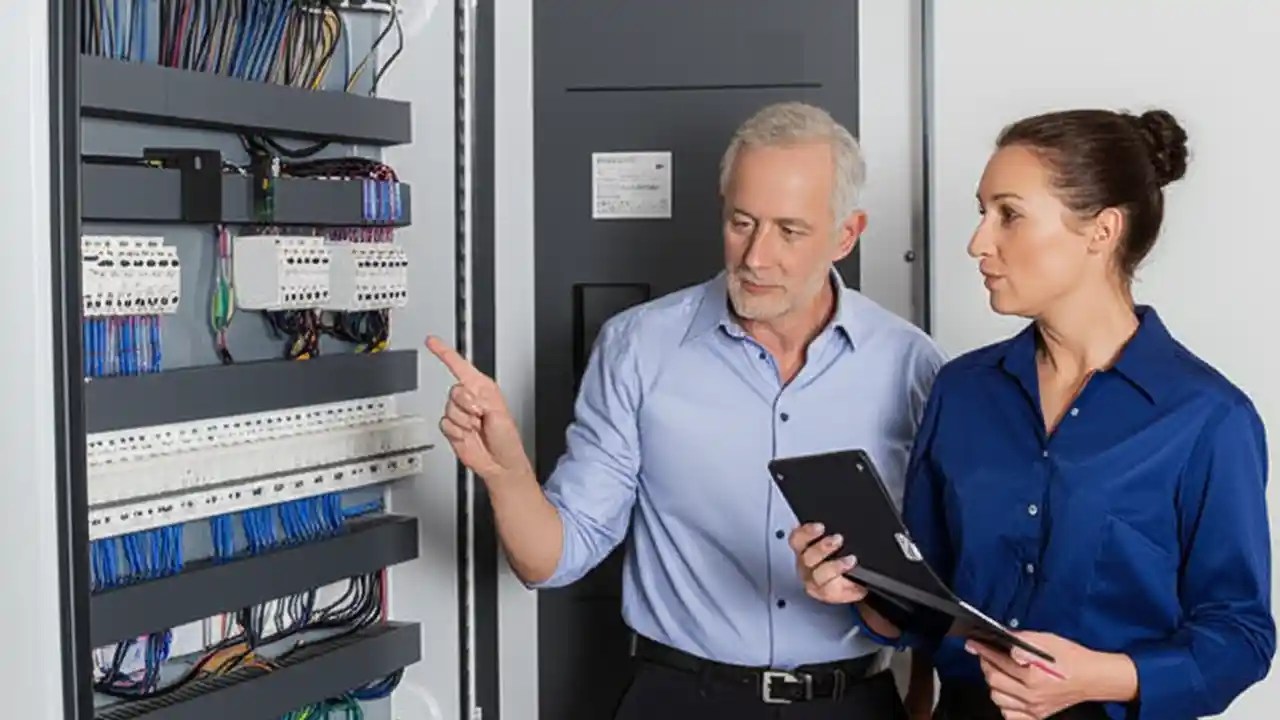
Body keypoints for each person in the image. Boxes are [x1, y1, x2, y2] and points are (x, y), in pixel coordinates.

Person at [426, 101, 945, 718]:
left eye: (789, 231)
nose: (755, 257)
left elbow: (936, 567)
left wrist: (921, 695)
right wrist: (504, 472)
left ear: (846, 235)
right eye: (741, 222)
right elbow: (553, 560)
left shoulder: (912, 365)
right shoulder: (637, 347)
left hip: (854, 702)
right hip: (680, 700)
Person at [791, 107, 1275, 720]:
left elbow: (1241, 638)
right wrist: (858, 589)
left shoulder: (1208, 418)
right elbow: (925, 603)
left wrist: (1097, 677)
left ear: (1101, 232)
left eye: (1009, 216)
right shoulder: (961, 390)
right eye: (982, 212)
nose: (977, 242)